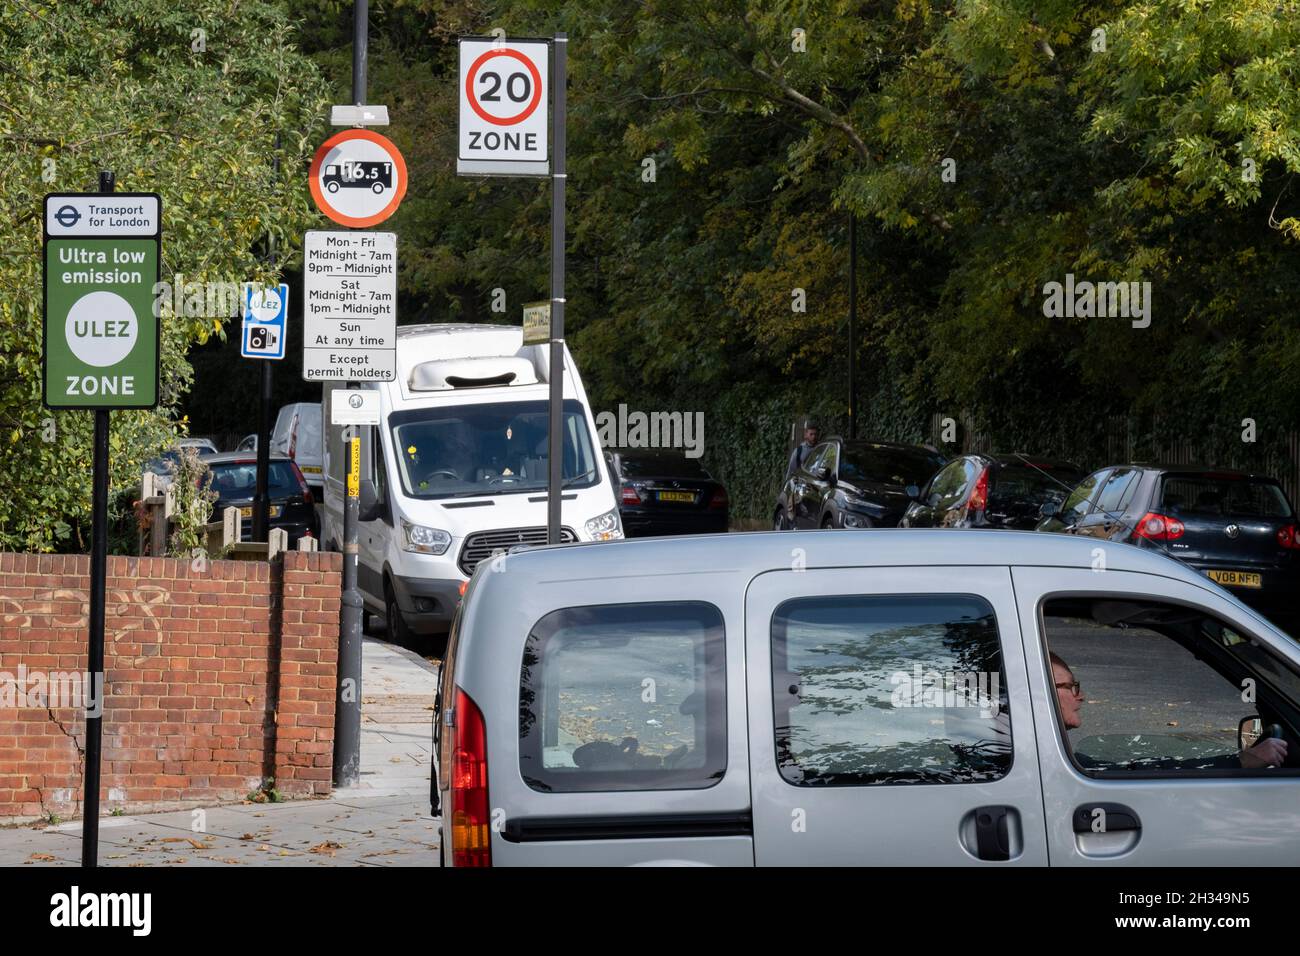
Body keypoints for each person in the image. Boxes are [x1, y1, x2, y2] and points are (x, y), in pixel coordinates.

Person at [1051, 652, 1288, 769]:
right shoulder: (1045, 760)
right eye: (1072, 687)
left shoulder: (1046, 756)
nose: (1081, 696)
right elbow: (1138, 773)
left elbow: (1128, 771)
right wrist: (1240, 762)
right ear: (1044, 689)